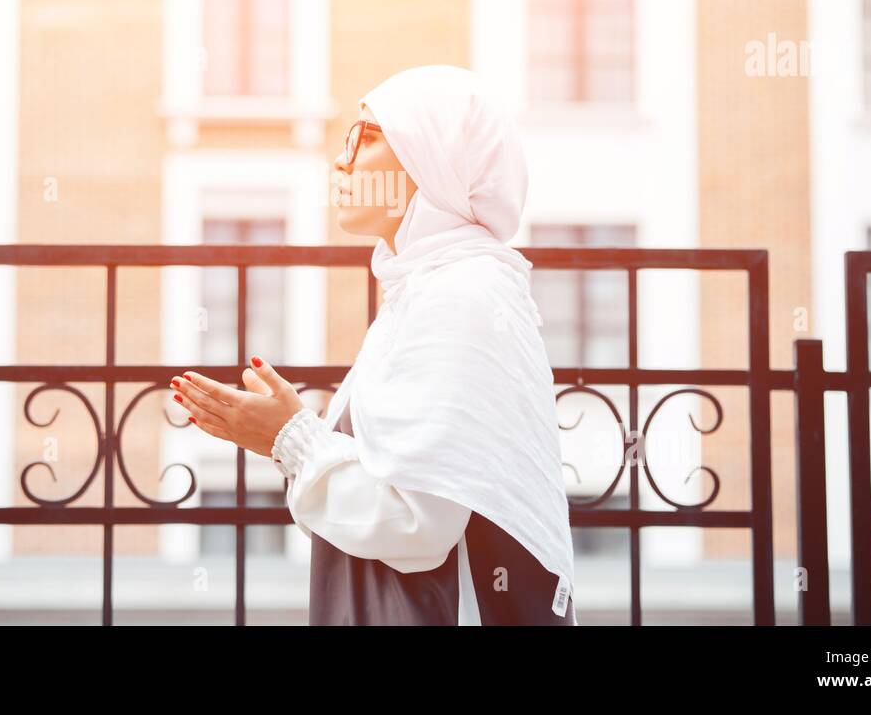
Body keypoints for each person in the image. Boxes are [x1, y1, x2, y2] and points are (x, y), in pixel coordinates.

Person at [171, 64, 576, 625]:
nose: (342, 161)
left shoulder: (461, 292)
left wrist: (290, 436)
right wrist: (284, 434)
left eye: (365, 136)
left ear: (430, 157)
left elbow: (420, 524)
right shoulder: (427, 286)